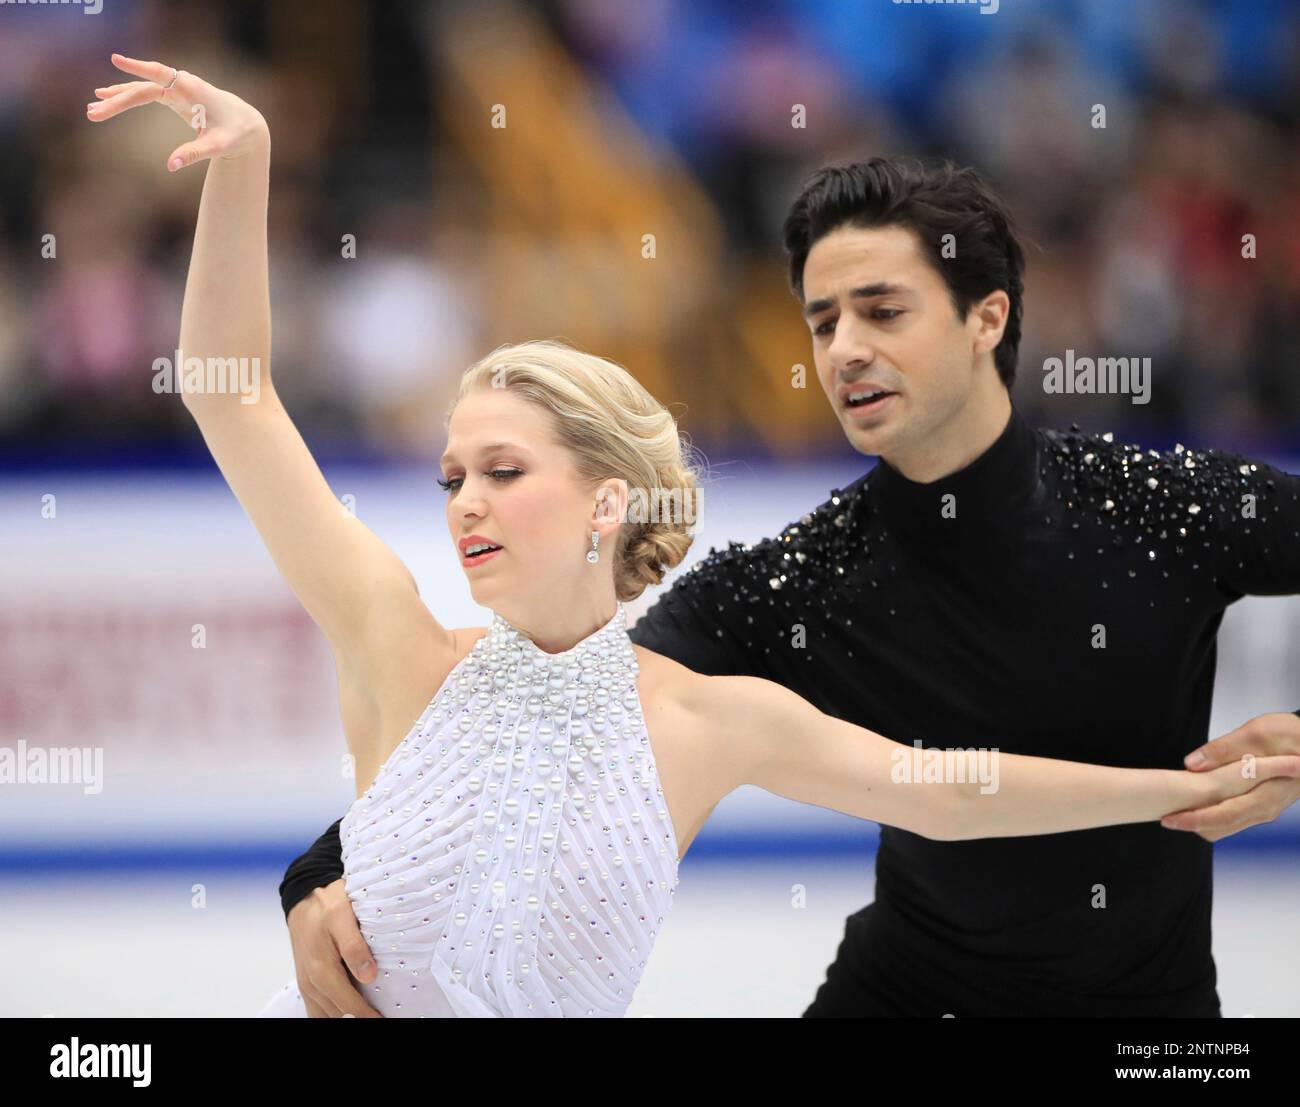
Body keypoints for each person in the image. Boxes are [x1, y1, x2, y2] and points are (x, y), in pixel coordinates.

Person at [85, 55, 1300, 1020]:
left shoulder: (703, 714)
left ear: (609, 501)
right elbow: (228, 390)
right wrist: (243, 163)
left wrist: (1182, 792)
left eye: (504, 471)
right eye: (454, 473)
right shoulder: (396, 639)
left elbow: (946, 790)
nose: (462, 501)